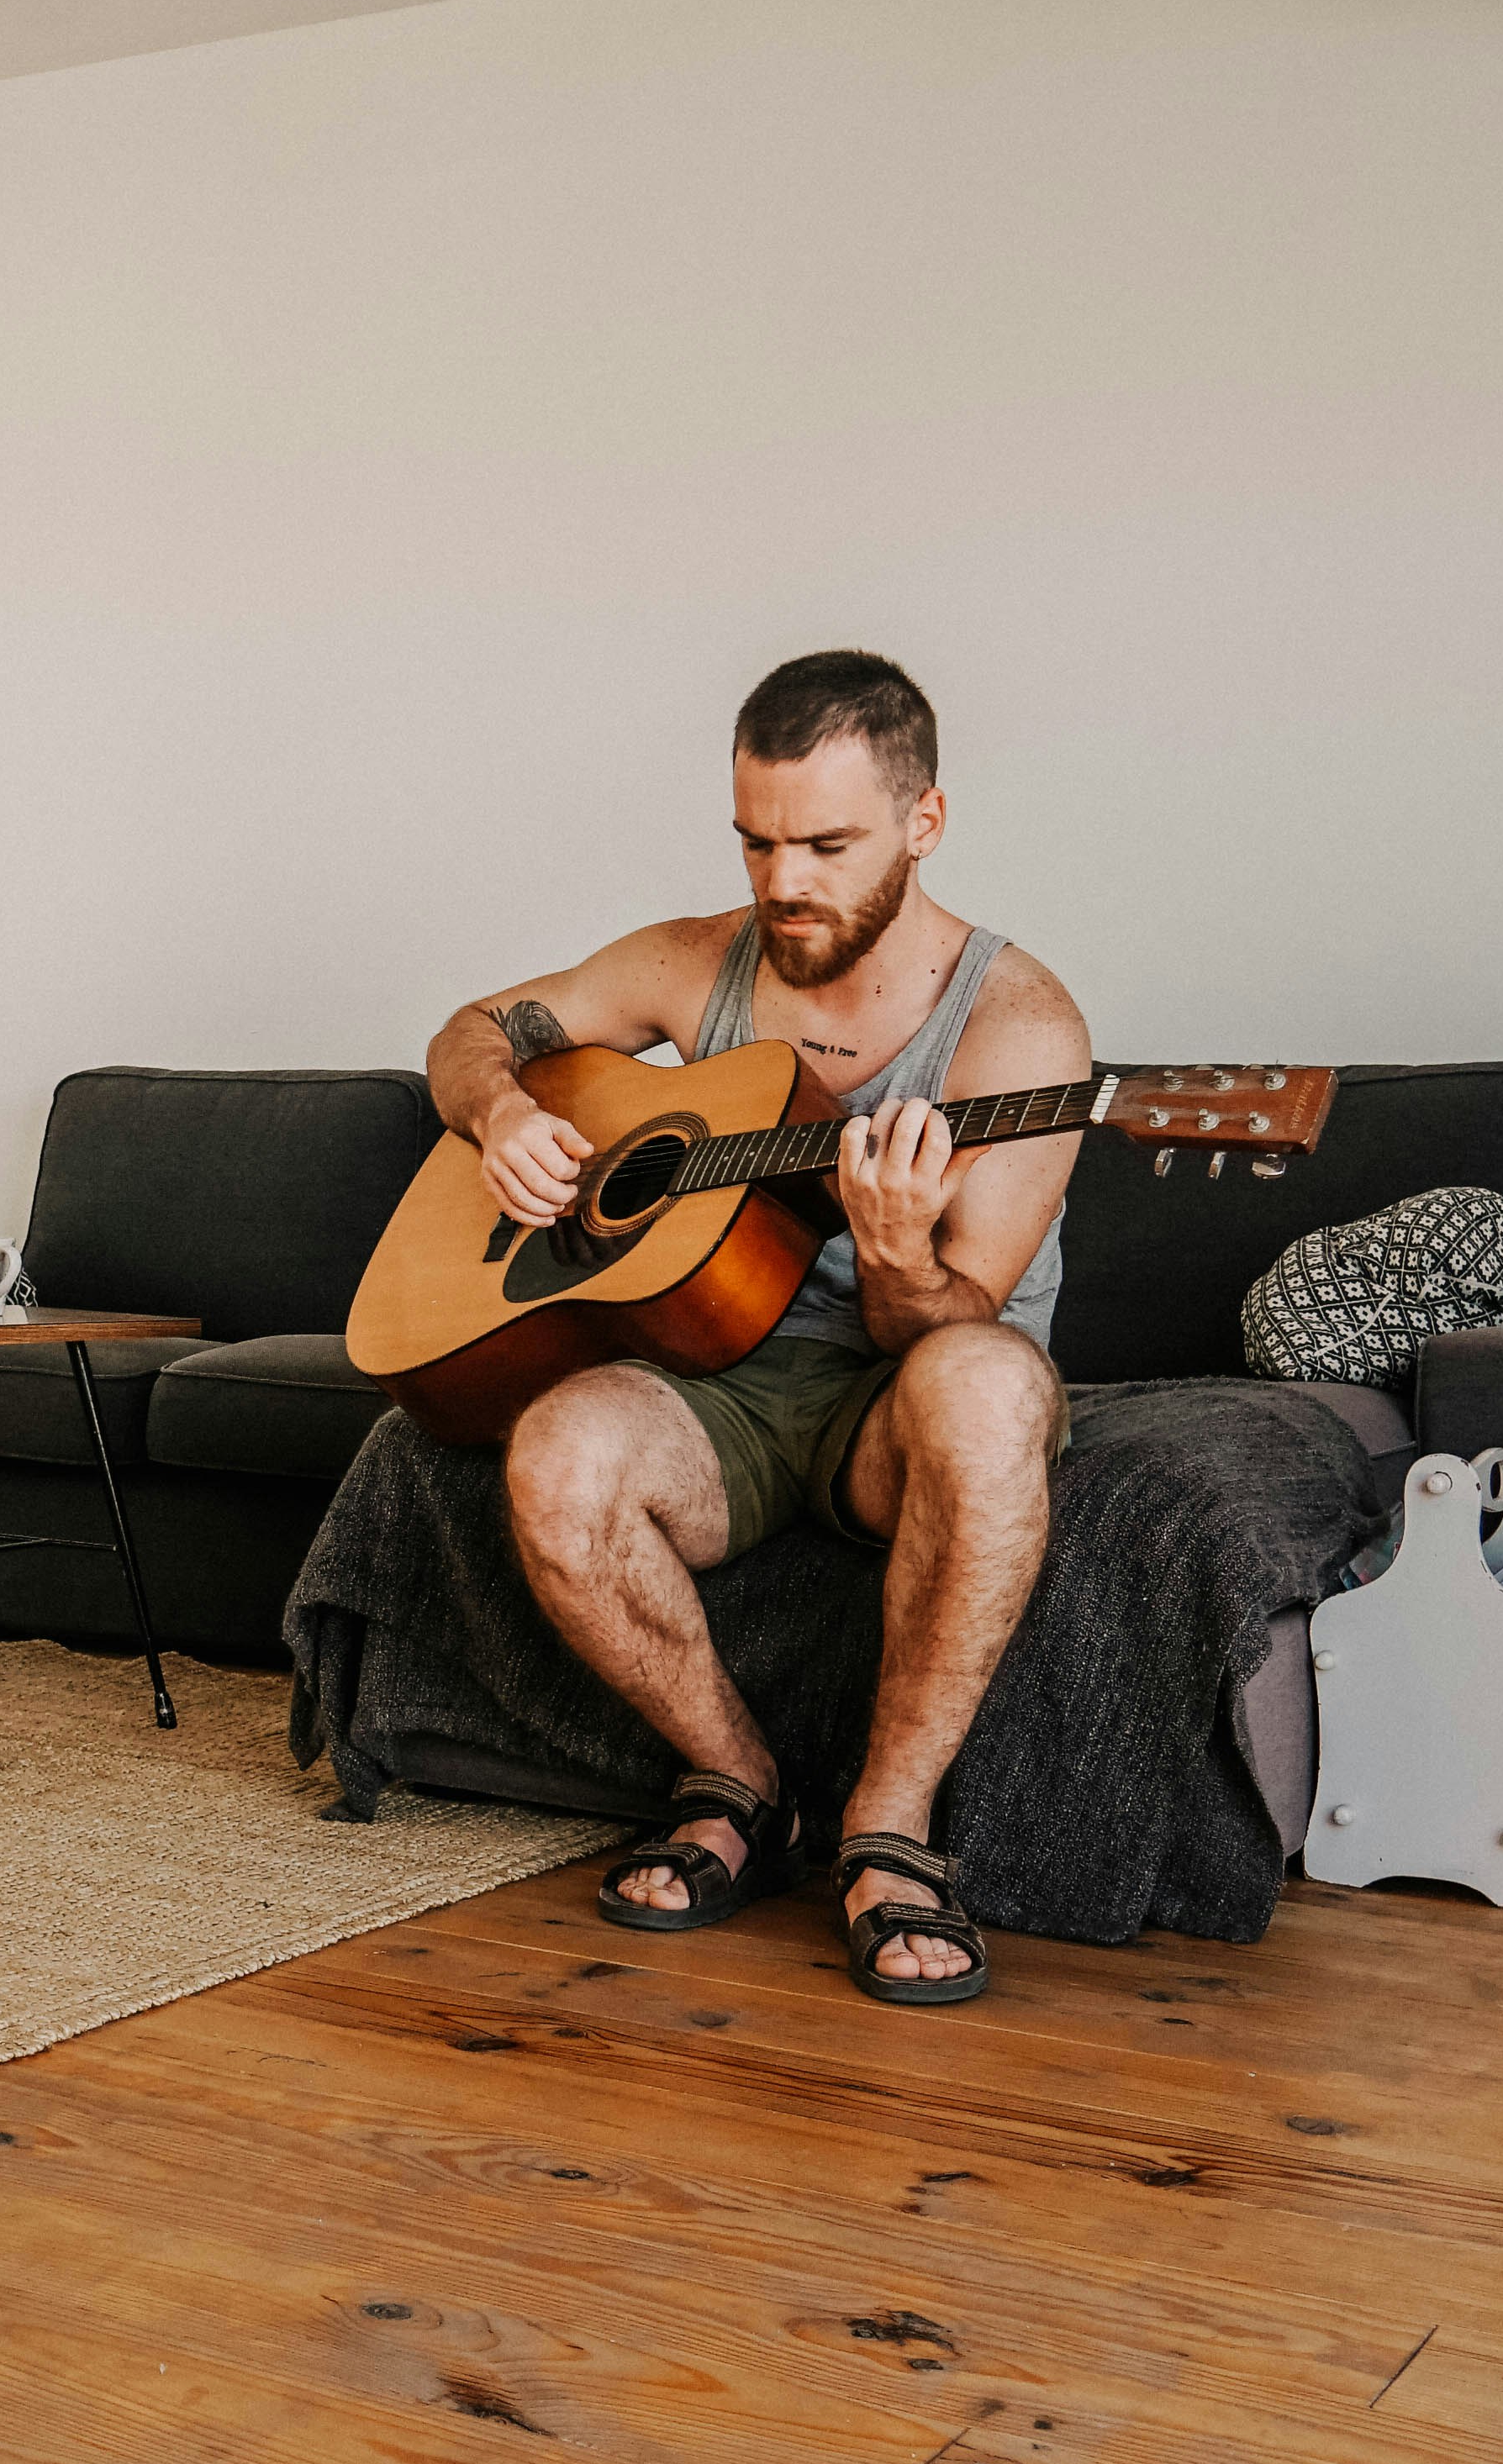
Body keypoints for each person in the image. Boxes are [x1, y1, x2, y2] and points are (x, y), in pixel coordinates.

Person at [420, 650, 1091, 2003]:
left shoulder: (1019, 1028)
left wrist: (897, 1250)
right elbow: (473, 1029)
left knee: (986, 1384)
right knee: (558, 1450)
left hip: (899, 1394)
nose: (783, 883)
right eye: (758, 841)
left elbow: (953, 1322)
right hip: (717, 1370)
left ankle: (889, 1832)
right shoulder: (695, 964)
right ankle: (739, 1781)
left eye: (827, 845)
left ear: (924, 821)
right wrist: (503, 1114)